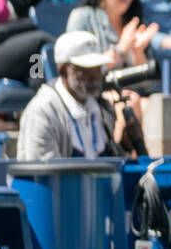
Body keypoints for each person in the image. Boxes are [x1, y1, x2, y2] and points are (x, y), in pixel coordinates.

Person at [17, 31, 136, 160]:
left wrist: (124, 147)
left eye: (98, 67)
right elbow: (44, 174)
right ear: (63, 70)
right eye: (86, 69)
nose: (95, 76)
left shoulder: (98, 106)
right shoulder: (42, 112)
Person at [66, 0, 158, 69]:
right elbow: (77, 71)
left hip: (130, 87)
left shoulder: (134, 24)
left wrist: (138, 51)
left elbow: (146, 84)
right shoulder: (82, 17)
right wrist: (120, 49)